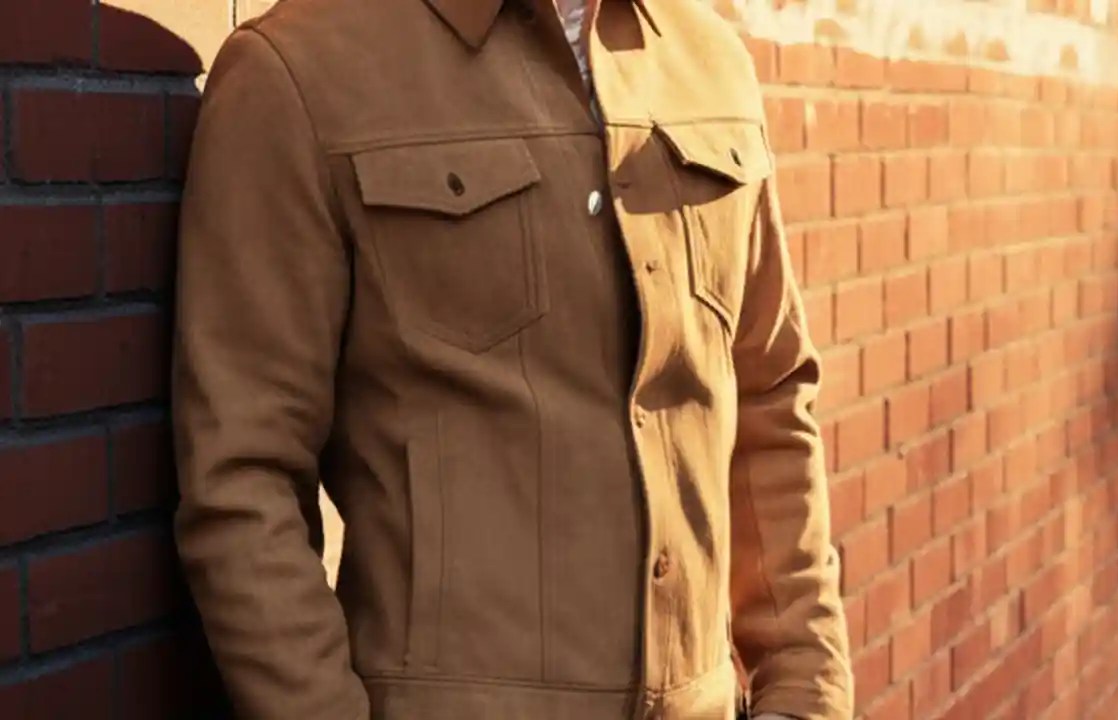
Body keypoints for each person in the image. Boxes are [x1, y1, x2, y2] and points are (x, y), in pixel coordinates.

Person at [170, 0, 854, 718]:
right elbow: (242, 477)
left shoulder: (712, 65)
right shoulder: (299, 69)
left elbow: (769, 398)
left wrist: (808, 690)